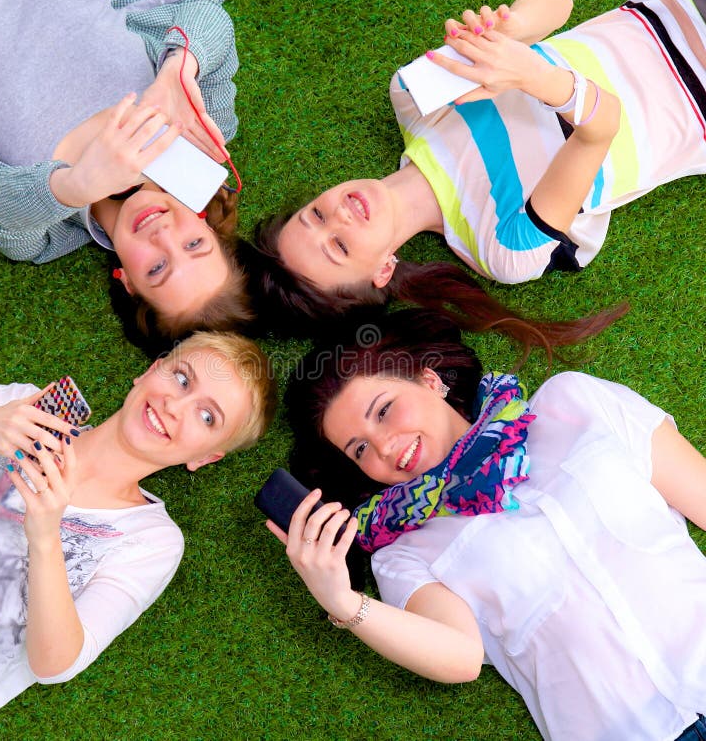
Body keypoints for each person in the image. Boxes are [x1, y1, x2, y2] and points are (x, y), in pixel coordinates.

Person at [267, 308, 706, 741]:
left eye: (383, 412)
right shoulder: (404, 553)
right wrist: (343, 602)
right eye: (359, 449)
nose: (382, 447)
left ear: (430, 380)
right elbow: (461, 658)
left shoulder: (572, 403)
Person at [249, 0, 706, 331]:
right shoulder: (503, 247)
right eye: (340, 247)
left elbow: (557, 2)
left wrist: (512, 30)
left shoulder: (415, 97)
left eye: (315, 215)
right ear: (382, 272)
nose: (340, 216)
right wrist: (530, 76)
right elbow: (602, 125)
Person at [0, 330, 277, 741]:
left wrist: (45, 538)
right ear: (151, 371)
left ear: (205, 457)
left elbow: (57, 663)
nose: (176, 406)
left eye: (207, 417)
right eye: (183, 379)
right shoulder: (26, 410)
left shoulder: (151, 539)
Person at [0, 0, 254, 348]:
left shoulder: (50, 235)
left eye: (158, 268)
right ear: (208, 228)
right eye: (194, 246)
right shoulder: (200, 137)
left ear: (129, 284)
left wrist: (77, 185)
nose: (164, 236)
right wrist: (179, 68)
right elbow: (209, 17)